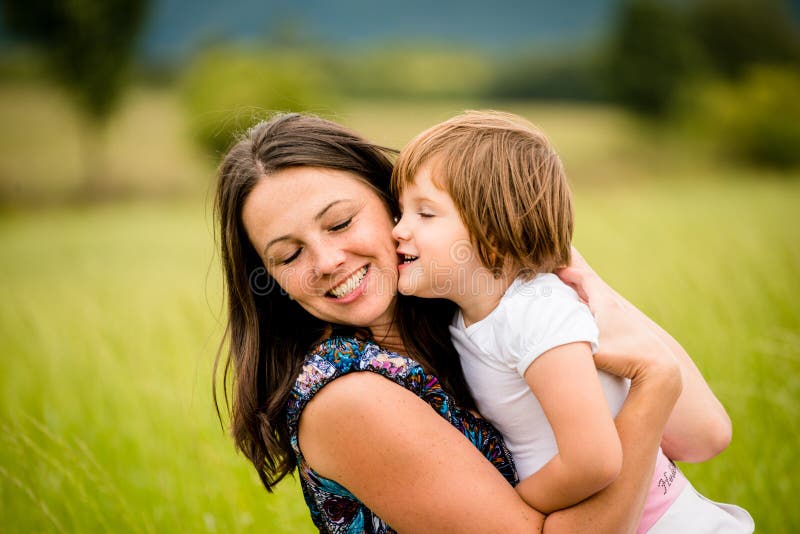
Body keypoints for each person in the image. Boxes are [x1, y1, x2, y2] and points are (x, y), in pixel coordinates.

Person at [214, 112, 720, 533]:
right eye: (288, 255)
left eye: (341, 222)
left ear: (394, 202)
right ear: (273, 280)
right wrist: (654, 385)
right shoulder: (347, 396)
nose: (326, 261)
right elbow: (652, 400)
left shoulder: (473, 312)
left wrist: (564, 267)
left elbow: (703, 435)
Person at [391, 110, 754, 532]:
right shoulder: (467, 318)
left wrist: (515, 506)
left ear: (492, 231)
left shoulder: (536, 311)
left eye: (426, 214)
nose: (399, 230)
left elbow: (593, 459)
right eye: (400, 212)